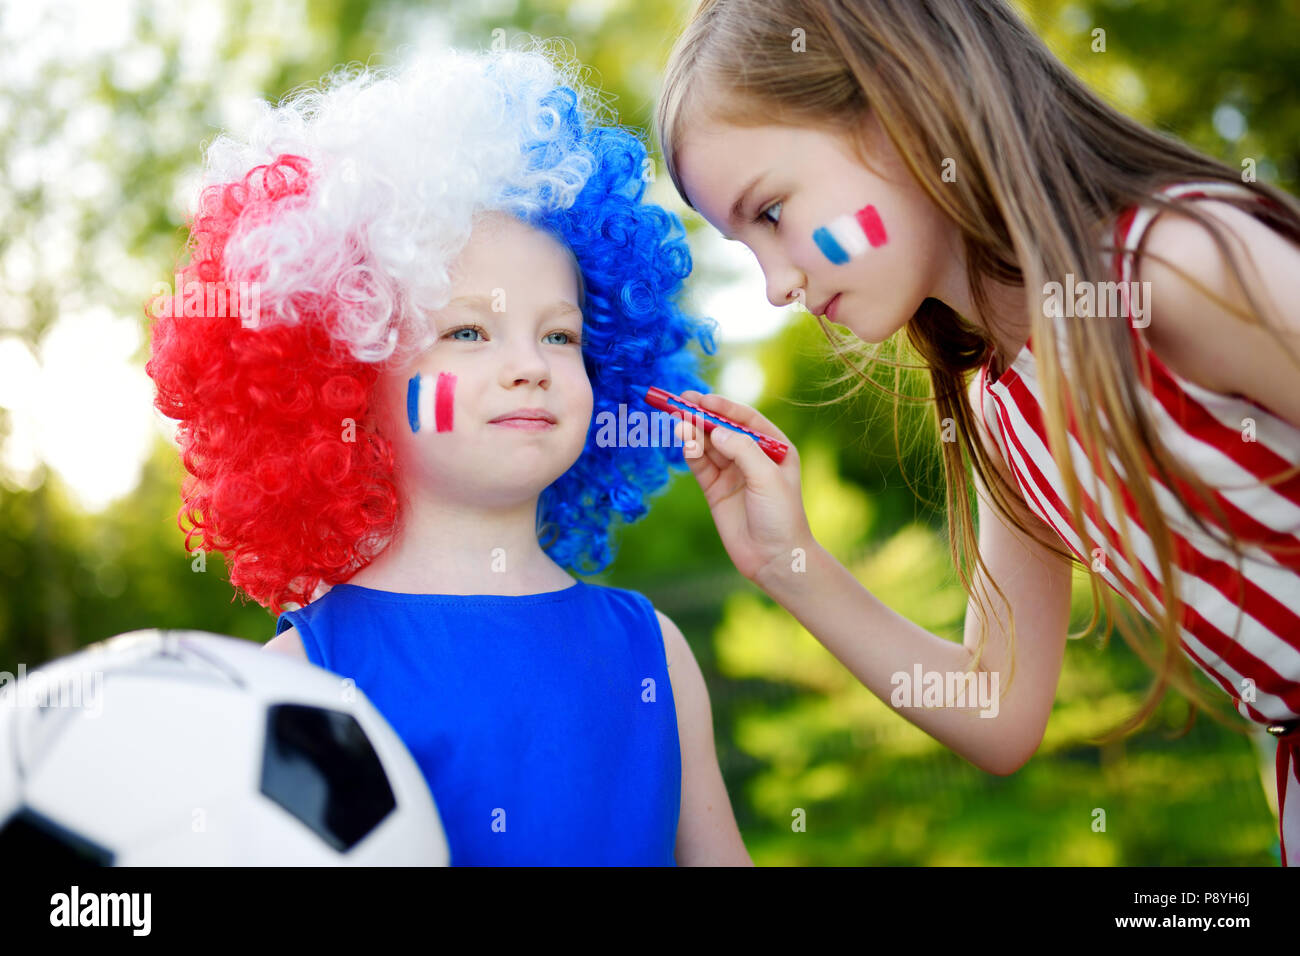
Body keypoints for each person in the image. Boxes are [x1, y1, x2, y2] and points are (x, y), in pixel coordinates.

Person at [654, 0, 1300, 863]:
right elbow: (998, 714)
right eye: (744, 244)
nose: (775, 284)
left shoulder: (1170, 266)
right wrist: (788, 562)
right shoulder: (1003, 409)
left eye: (770, 211)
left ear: (901, 105)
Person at [146, 45, 751, 866]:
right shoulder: (304, 679)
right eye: (466, 331)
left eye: (561, 335)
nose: (528, 364)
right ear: (348, 379)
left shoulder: (653, 654)